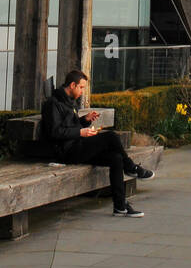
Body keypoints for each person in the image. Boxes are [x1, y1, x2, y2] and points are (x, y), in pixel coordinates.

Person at [41, 70, 155, 218]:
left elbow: (70, 125)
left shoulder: (69, 101)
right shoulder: (53, 104)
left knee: (116, 158)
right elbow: (55, 132)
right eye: (81, 87)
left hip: (77, 146)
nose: (82, 91)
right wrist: (81, 132)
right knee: (111, 136)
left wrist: (85, 120)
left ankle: (120, 207)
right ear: (72, 85)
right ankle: (131, 167)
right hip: (66, 152)